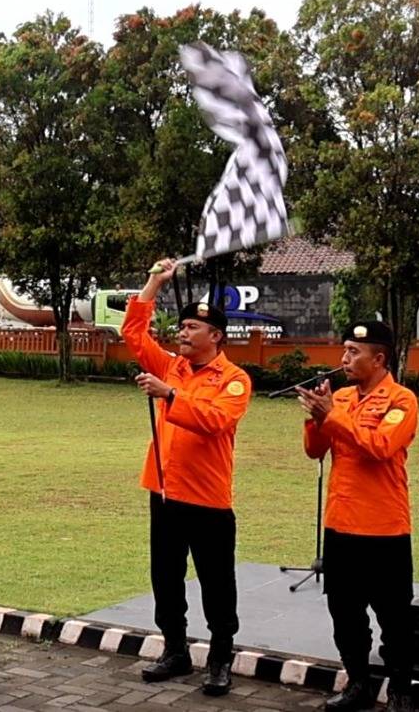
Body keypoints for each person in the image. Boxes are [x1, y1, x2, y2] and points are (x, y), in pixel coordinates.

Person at [125, 258, 252, 697]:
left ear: (214, 336)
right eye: (180, 327)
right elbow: (134, 334)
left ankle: (220, 658)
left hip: (208, 498)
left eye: (191, 328)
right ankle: (175, 650)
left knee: (217, 583)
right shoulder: (172, 366)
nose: (181, 332)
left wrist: (170, 395)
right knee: (165, 575)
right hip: (164, 490)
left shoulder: (235, 380)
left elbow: (215, 420)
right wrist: (153, 281)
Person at [297, 321, 418, 712]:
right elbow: (315, 451)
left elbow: (380, 446)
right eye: (344, 350)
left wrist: (332, 416)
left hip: (384, 527)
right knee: (345, 614)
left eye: (353, 352)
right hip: (341, 523)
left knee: (394, 617)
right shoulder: (343, 398)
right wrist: (317, 418)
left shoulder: (402, 400)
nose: (344, 359)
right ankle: (358, 682)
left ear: (379, 358)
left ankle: (400, 688)